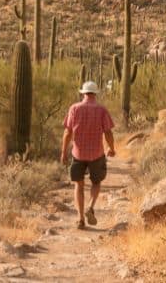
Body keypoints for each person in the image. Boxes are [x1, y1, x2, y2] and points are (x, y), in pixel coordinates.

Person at [60, 81, 116, 229]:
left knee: (78, 184)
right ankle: (90, 207)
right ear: (95, 93)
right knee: (96, 182)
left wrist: (63, 152)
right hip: (97, 153)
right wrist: (112, 148)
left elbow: (67, 132)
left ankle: (80, 219)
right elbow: (108, 132)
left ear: (83, 93)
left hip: (78, 153)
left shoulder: (74, 108)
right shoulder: (101, 110)